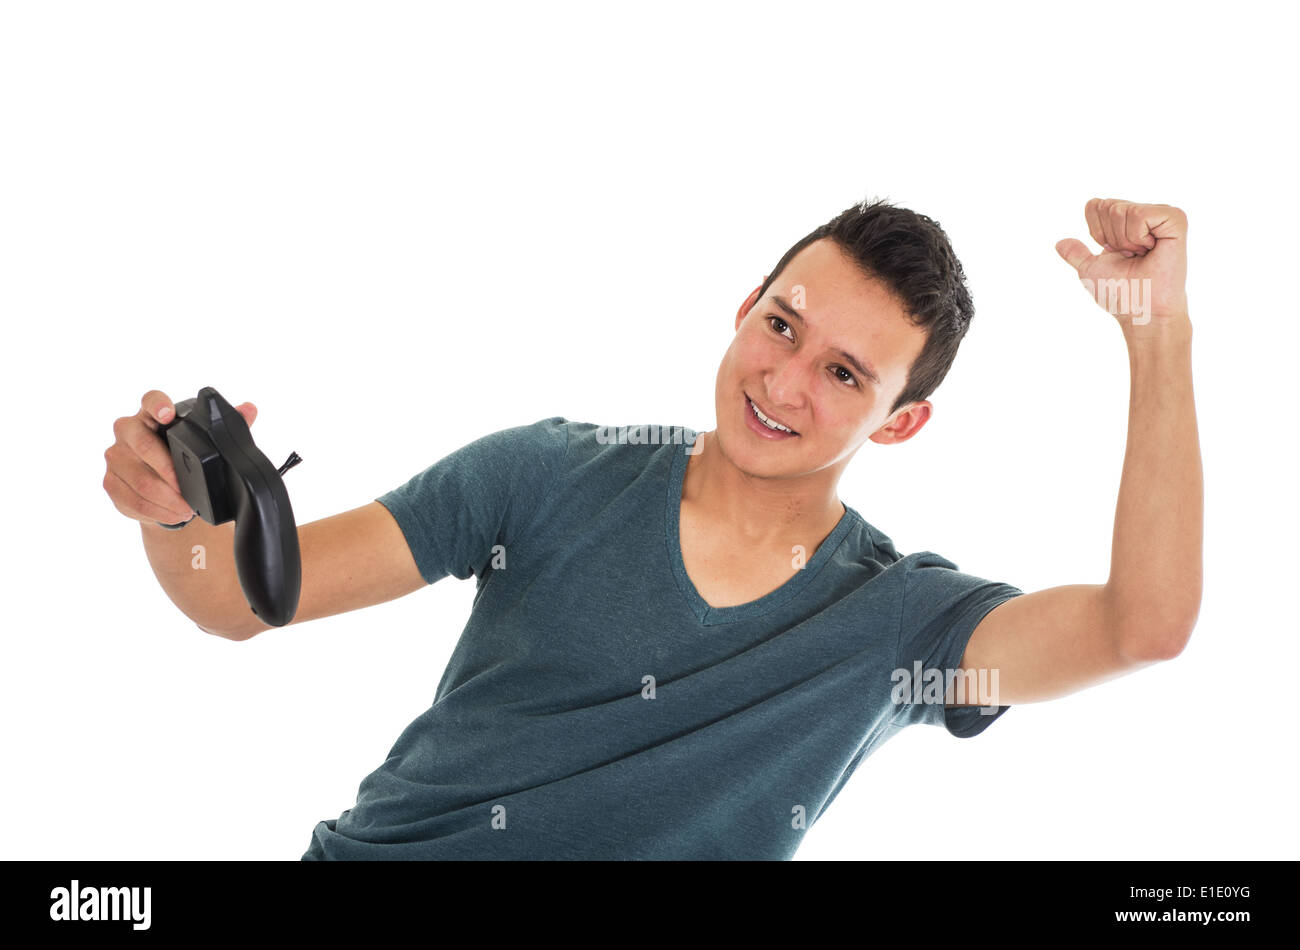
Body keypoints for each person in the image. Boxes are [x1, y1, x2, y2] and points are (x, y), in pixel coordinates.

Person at [102, 196, 1202, 860]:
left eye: (843, 373)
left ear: (901, 421)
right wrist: (174, 508)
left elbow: (1140, 627)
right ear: (744, 308)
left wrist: (1156, 334)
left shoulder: (901, 630)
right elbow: (243, 595)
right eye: (780, 324)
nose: (782, 378)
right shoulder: (545, 472)